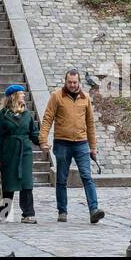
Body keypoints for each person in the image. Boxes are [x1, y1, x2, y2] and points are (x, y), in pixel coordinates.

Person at [40, 69, 104, 224]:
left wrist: (93, 147)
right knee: (61, 179)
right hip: (62, 142)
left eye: (75, 82)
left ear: (79, 82)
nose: (72, 85)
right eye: (69, 82)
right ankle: (62, 210)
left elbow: (90, 124)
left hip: (81, 144)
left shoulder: (85, 98)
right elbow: (48, 118)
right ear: (65, 81)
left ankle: (94, 209)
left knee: (87, 177)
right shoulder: (57, 96)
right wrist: (43, 140)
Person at [0, 84, 41, 223]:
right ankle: (4, 214)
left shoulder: (27, 114)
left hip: (25, 152)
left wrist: (42, 142)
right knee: (8, 184)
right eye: (21, 93)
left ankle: (28, 214)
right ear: (13, 96)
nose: (24, 95)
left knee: (27, 183)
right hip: (9, 152)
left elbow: (33, 133)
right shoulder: (3, 115)